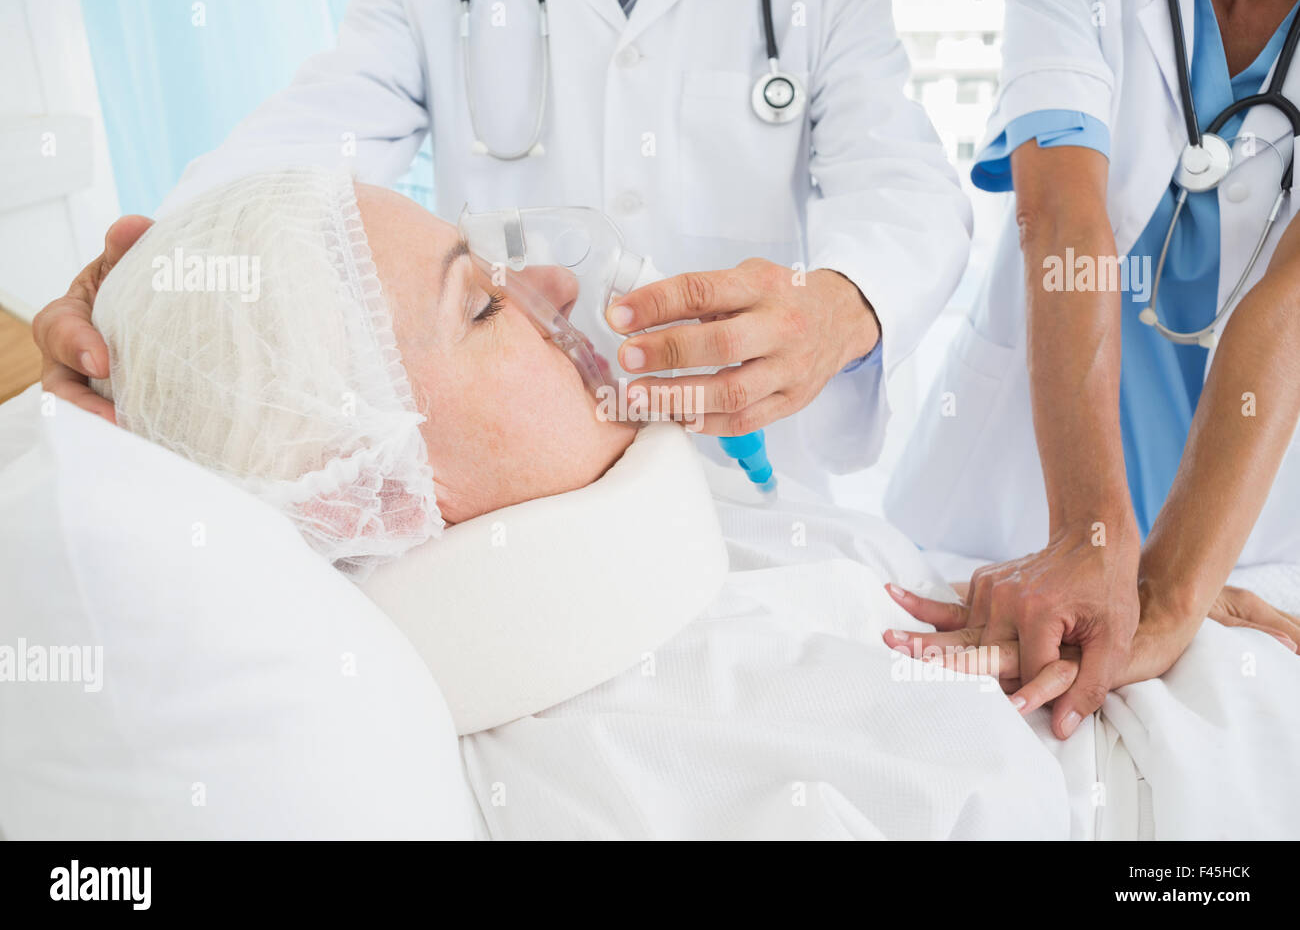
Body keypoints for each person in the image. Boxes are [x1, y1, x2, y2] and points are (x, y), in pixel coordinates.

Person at [85, 168, 1300, 839]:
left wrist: (1178, 608)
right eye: (484, 303)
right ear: (365, 488)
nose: (558, 280)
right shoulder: (618, 776)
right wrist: (152, 325)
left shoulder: (670, 523)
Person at [34, 0, 972, 496]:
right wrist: (155, 280)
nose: (561, 296)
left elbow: (904, 185)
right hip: (524, 488)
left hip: (764, 468)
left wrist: (844, 305)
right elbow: (304, 140)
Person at [886, 0, 1300, 739]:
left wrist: (1175, 591)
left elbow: (1292, 298)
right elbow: (1061, 218)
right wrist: (1090, 538)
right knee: (955, 738)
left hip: (1234, 544)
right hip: (1011, 520)